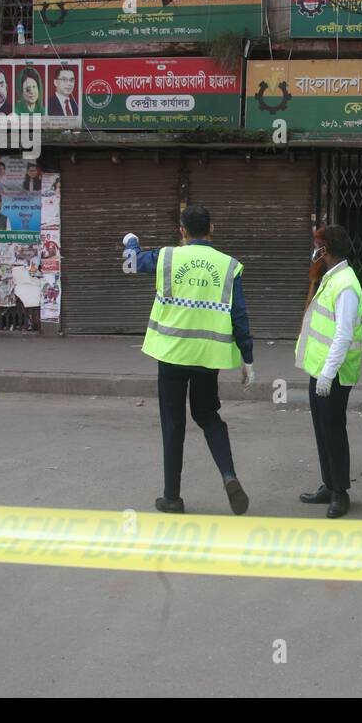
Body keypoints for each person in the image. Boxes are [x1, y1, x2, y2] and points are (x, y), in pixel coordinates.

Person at [126, 205, 255, 516]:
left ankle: (172, 497)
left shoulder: (168, 256)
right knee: (208, 416)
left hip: (171, 354)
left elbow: (131, 264)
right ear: (212, 229)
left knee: (173, 423)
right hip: (206, 357)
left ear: (182, 231)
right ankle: (229, 475)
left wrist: (130, 240)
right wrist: (247, 359)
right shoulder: (228, 265)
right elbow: (239, 316)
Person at [297, 225, 362, 519]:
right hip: (321, 370)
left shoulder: (346, 285)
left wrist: (327, 373)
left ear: (325, 249)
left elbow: (343, 334)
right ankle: (328, 483)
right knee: (322, 431)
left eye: (316, 245)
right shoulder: (331, 277)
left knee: (334, 432)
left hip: (333, 373)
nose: (314, 250)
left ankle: (340, 492)